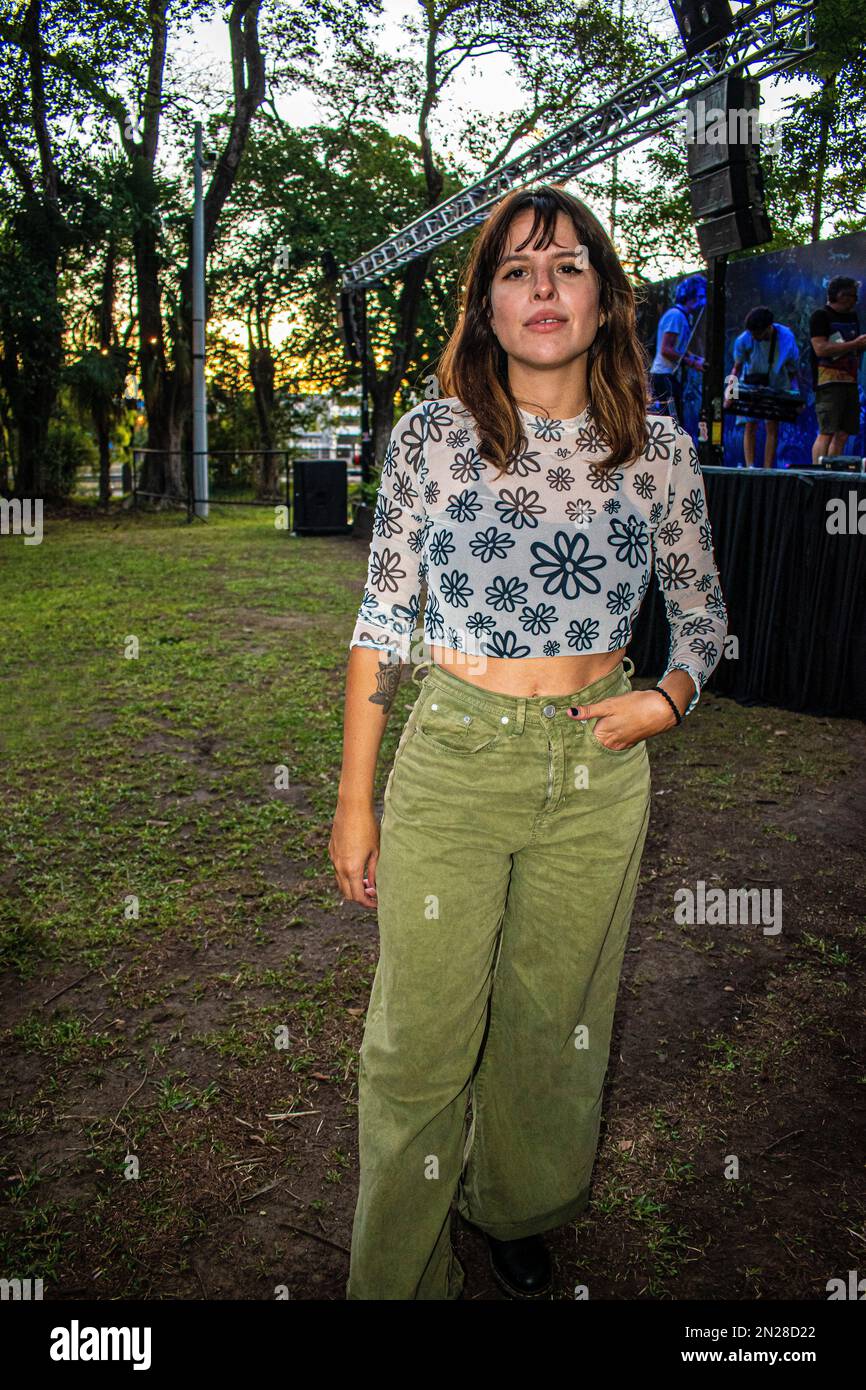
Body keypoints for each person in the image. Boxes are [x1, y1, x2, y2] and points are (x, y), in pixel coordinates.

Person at [331, 184, 728, 1301]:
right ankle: (398, 1280)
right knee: (416, 1042)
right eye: (513, 270)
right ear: (485, 306)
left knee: (554, 1021)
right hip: (453, 759)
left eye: (563, 266)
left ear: (603, 300)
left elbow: (702, 618)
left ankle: (513, 1203)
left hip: (596, 765)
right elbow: (377, 623)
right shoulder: (430, 438)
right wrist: (354, 801)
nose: (540, 288)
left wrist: (669, 696)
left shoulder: (657, 452)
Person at [724, 305, 803, 468]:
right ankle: (750, 466)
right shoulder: (744, 339)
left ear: (769, 327)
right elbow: (736, 367)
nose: (754, 337)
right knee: (750, 423)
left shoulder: (786, 337)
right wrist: (730, 391)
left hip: (776, 382)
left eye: (757, 333)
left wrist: (796, 396)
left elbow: (793, 371)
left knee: (772, 424)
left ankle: (768, 467)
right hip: (751, 382)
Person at [809, 277, 866, 466]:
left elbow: (855, 349)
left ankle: (832, 468)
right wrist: (854, 344)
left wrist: (859, 348)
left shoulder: (852, 317)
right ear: (839, 295)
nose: (854, 300)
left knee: (843, 432)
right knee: (827, 430)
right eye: (851, 295)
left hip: (849, 380)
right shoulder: (821, 316)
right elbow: (820, 348)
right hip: (828, 381)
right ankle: (817, 471)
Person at [648, 274, 706, 424]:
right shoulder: (676, 316)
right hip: (663, 376)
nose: (702, 302)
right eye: (700, 296)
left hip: (669, 376)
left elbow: (680, 348)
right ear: (690, 296)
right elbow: (666, 349)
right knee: (672, 422)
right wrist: (692, 363)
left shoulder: (684, 317)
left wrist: (695, 358)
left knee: (676, 419)